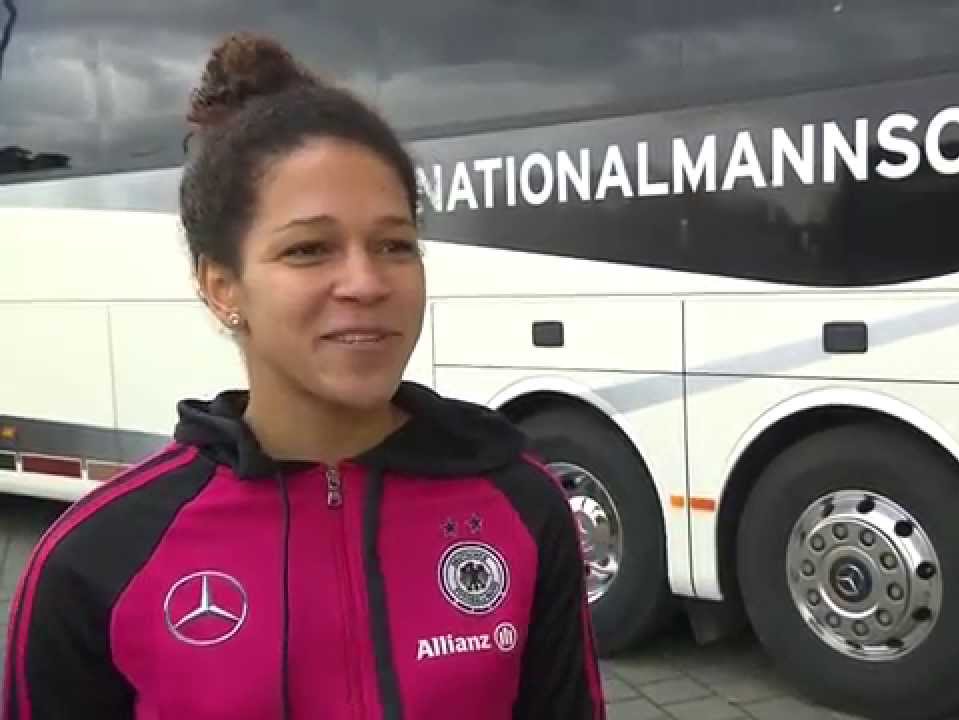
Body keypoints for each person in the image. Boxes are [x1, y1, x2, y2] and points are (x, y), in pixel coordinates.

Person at [3, 32, 605, 720]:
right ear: (222, 286)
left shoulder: (522, 504)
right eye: (310, 249)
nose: (366, 282)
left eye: (394, 245)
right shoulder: (95, 561)